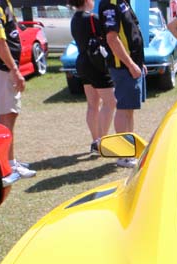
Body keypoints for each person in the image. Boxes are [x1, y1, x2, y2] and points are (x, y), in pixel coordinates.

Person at [0, 0, 35, 177]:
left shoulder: (2, 3)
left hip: (1, 66)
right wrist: (14, 69)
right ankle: (8, 165)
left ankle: (9, 161)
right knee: (7, 114)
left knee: (10, 113)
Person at [98, 0, 146, 167]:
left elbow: (131, 32)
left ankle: (129, 150)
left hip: (132, 64)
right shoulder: (110, 5)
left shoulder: (122, 2)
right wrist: (131, 64)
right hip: (123, 66)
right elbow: (112, 38)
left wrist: (139, 62)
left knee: (129, 110)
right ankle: (123, 155)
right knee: (123, 108)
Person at [69, 0, 115, 155]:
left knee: (92, 104)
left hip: (83, 62)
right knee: (110, 102)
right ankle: (102, 142)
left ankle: (96, 140)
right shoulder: (92, 18)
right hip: (97, 64)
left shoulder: (74, 19)